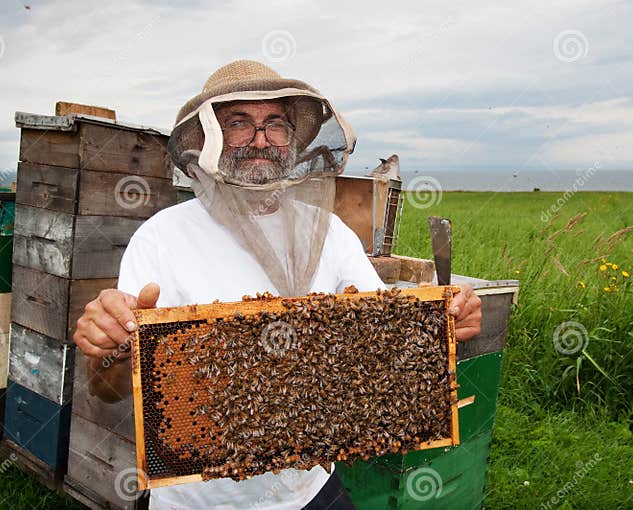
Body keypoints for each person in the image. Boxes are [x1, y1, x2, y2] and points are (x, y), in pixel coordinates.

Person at [73, 60, 482, 510]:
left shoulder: (329, 231)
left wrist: (444, 321)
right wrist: (110, 349)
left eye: (275, 124)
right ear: (206, 139)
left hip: (311, 489)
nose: (260, 139)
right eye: (238, 123)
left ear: (292, 140)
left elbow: (390, 339)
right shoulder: (160, 238)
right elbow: (107, 389)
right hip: (200, 502)